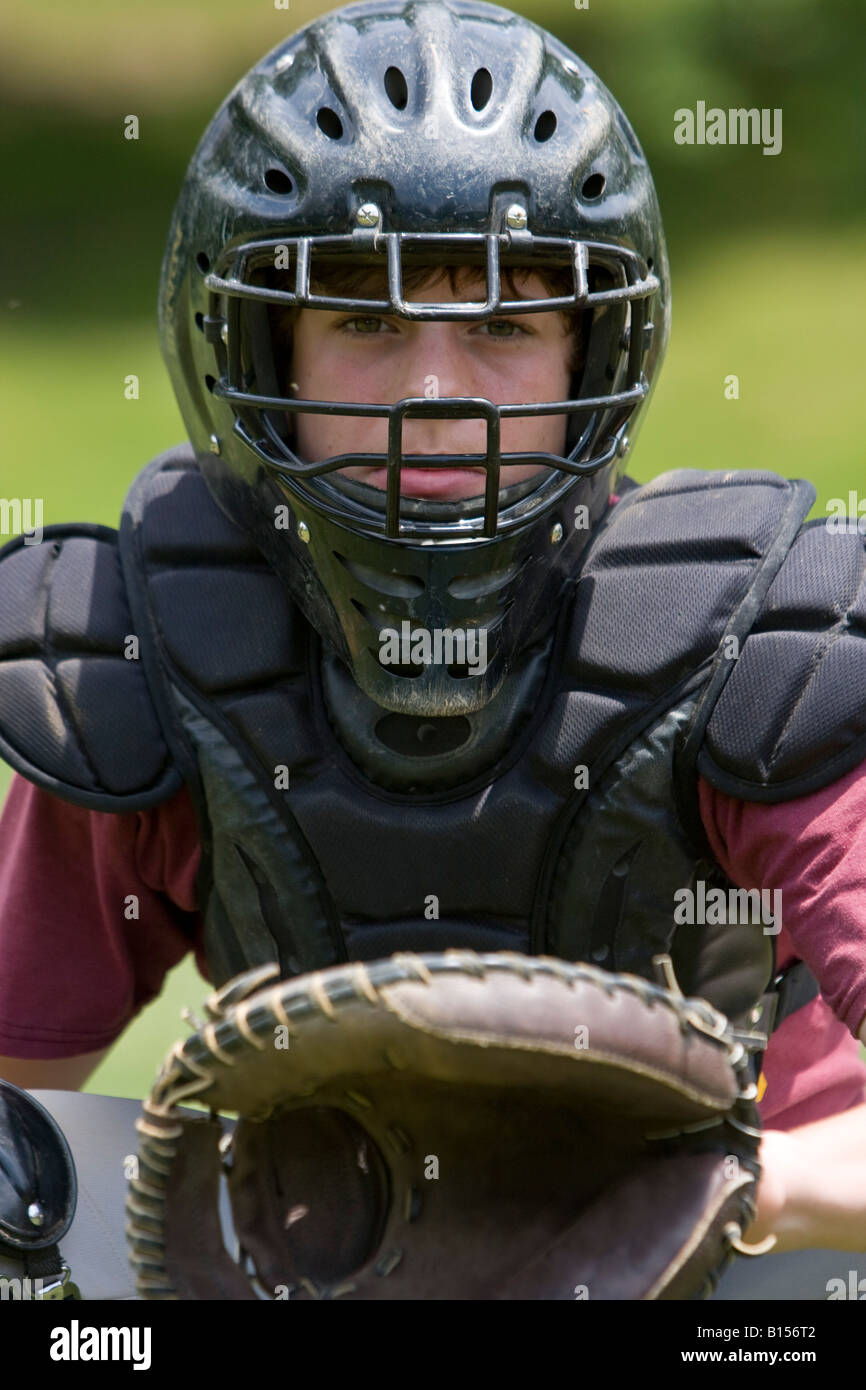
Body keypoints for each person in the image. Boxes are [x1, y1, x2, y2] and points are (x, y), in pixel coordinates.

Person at [0, 0, 865, 1298]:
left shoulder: (754, 653)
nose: (433, 395)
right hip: (322, 1256)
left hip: (739, 1279)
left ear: (598, 344)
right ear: (250, 347)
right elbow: (20, 1115)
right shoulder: (151, 651)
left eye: (504, 330)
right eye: (365, 326)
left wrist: (727, 1189)